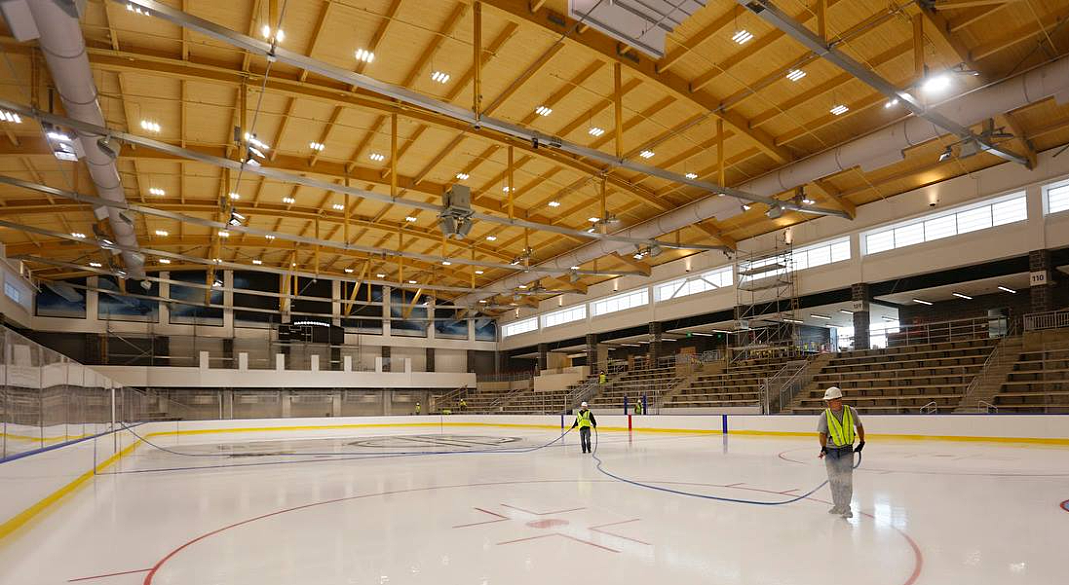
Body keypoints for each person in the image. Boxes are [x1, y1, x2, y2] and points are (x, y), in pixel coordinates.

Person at [817, 387, 865, 518]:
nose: (828, 403)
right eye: (827, 401)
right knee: (834, 481)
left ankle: (846, 507)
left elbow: (859, 426)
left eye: (830, 401)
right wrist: (823, 447)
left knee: (846, 481)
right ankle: (838, 505)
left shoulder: (851, 412)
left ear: (838, 400)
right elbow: (822, 433)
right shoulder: (825, 415)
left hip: (846, 451)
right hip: (831, 452)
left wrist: (861, 441)